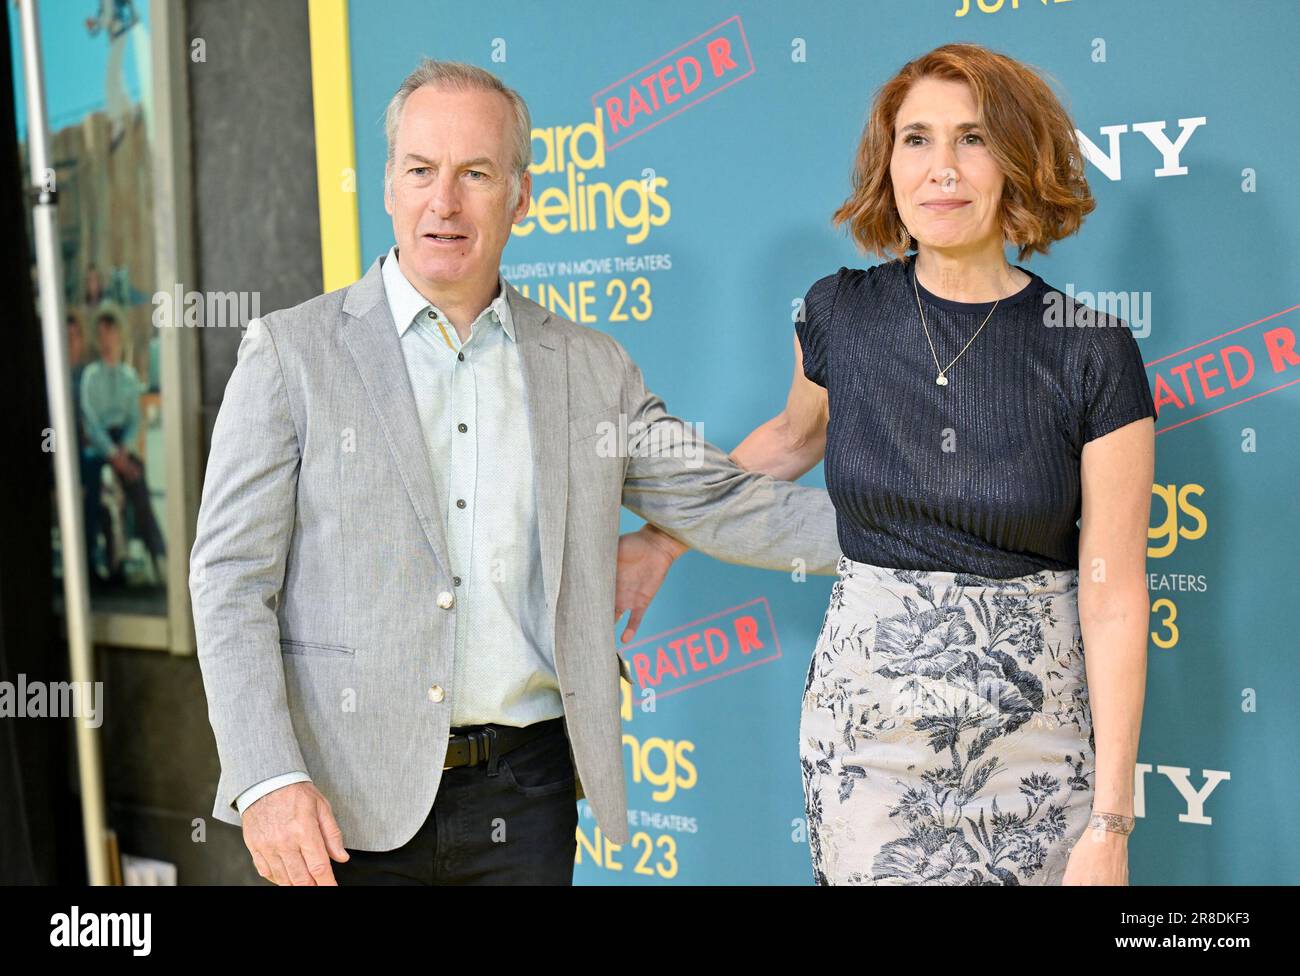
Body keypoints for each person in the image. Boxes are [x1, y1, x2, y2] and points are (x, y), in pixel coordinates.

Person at [188, 59, 841, 887]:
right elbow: (229, 580)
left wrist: (936, 531)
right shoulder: (291, 353)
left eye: (476, 174)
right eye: (421, 170)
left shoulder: (589, 368)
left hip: (525, 805)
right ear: (388, 183)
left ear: (521, 196)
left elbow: (727, 502)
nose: (444, 202)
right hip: (338, 805)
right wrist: (269, 780)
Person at [620, 43, 1154, 885]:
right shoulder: (841, 314)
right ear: (888, 163)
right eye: (917, 140)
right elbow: (792, 441)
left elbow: (1116, 591)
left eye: (972, 139)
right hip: (866, 742)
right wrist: (661, 538)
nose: (941, 169)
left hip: (1036, 748)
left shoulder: (1093, 350)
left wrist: (1113, 823)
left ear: (1018, 160)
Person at [79, 308, 166, 586]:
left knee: (139, 489)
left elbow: (135, 420)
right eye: (102, 333)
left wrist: (124, 453)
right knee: (91, 494)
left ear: (119, 336)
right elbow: (90, 421)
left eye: (111, 333)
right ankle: (92, 565)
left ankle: (159, 559)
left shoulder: (129, 378)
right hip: (99, 448)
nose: (107, 339)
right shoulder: (91, 376)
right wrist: (112, 455)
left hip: (123, 447)